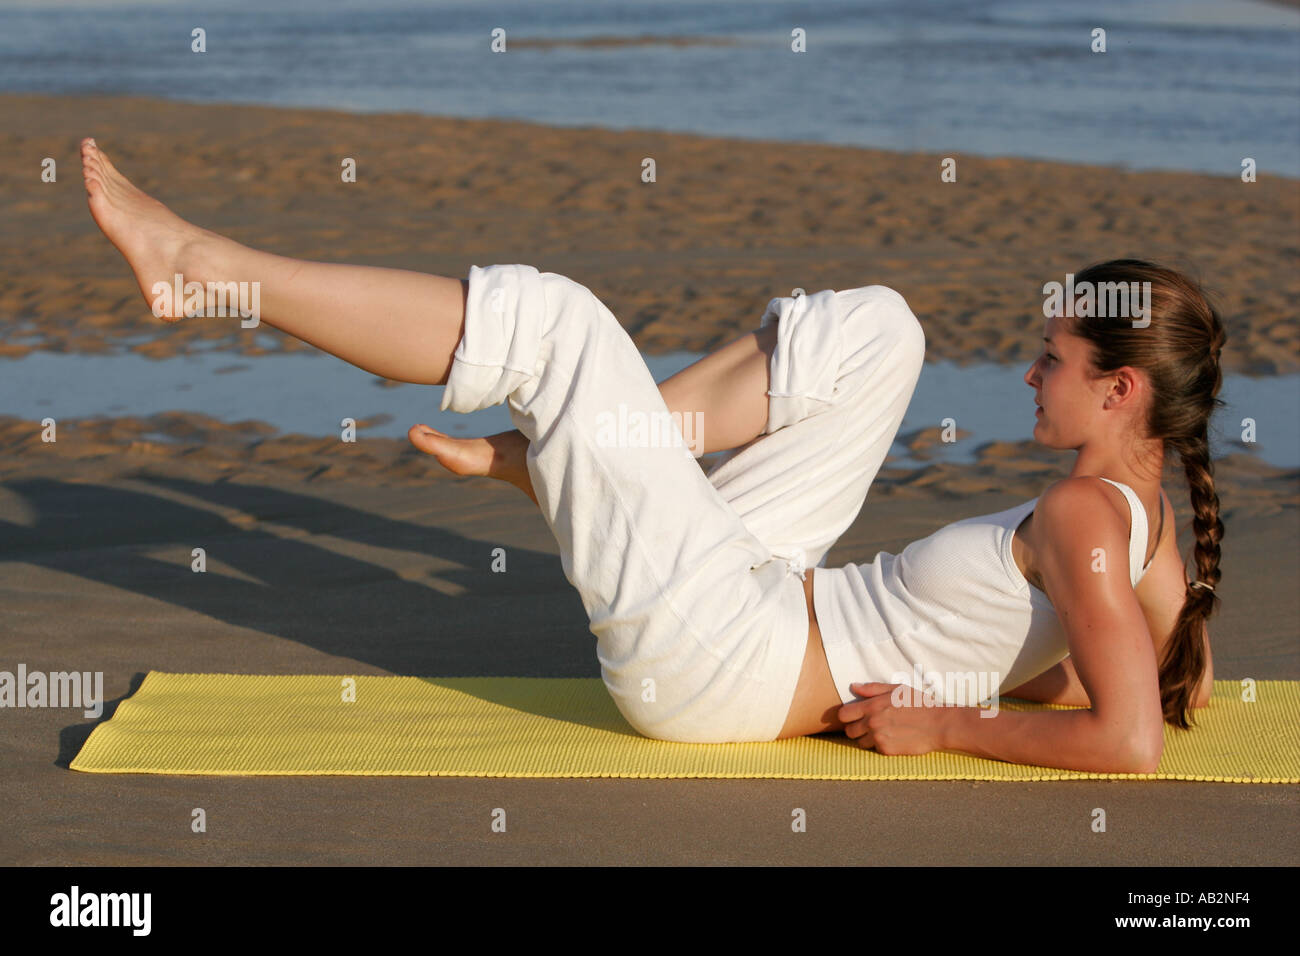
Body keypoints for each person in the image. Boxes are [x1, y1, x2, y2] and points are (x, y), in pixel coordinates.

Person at [80, 138, 1222, 774]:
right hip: (767, 592)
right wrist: (978, 669)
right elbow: (1136, 684)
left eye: (1052, 358)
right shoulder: (1144, 525)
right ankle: (590, 451)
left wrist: (940, 720)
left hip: (727, 661)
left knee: (556, 322)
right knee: (882, 331)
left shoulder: (1082, 522)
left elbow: (1122, 738)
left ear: (1120, 389)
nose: (1029, 373)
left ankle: (204, 268)